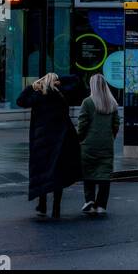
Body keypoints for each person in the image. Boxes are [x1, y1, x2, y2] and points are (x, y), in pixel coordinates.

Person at [16, 72, 82, 219]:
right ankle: (56, 208)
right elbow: (76, 79)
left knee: (42, 173)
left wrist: (31, 87)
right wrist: (59, 80)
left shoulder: (38, 96)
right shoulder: (61, 95)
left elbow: (20, 101)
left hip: (41, 141)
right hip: (60, 140)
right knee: (58, 173)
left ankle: (42, 205)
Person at [77, 72, 119, 216]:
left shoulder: (87, 102)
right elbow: (116, 125)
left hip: (89, 144)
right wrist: (110, 137)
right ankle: (101, 205)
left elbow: (82, 125)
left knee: (88, 173)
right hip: (106, 144)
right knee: (104, 175)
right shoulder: (112, 103)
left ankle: (89, 201)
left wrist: (79, 139)